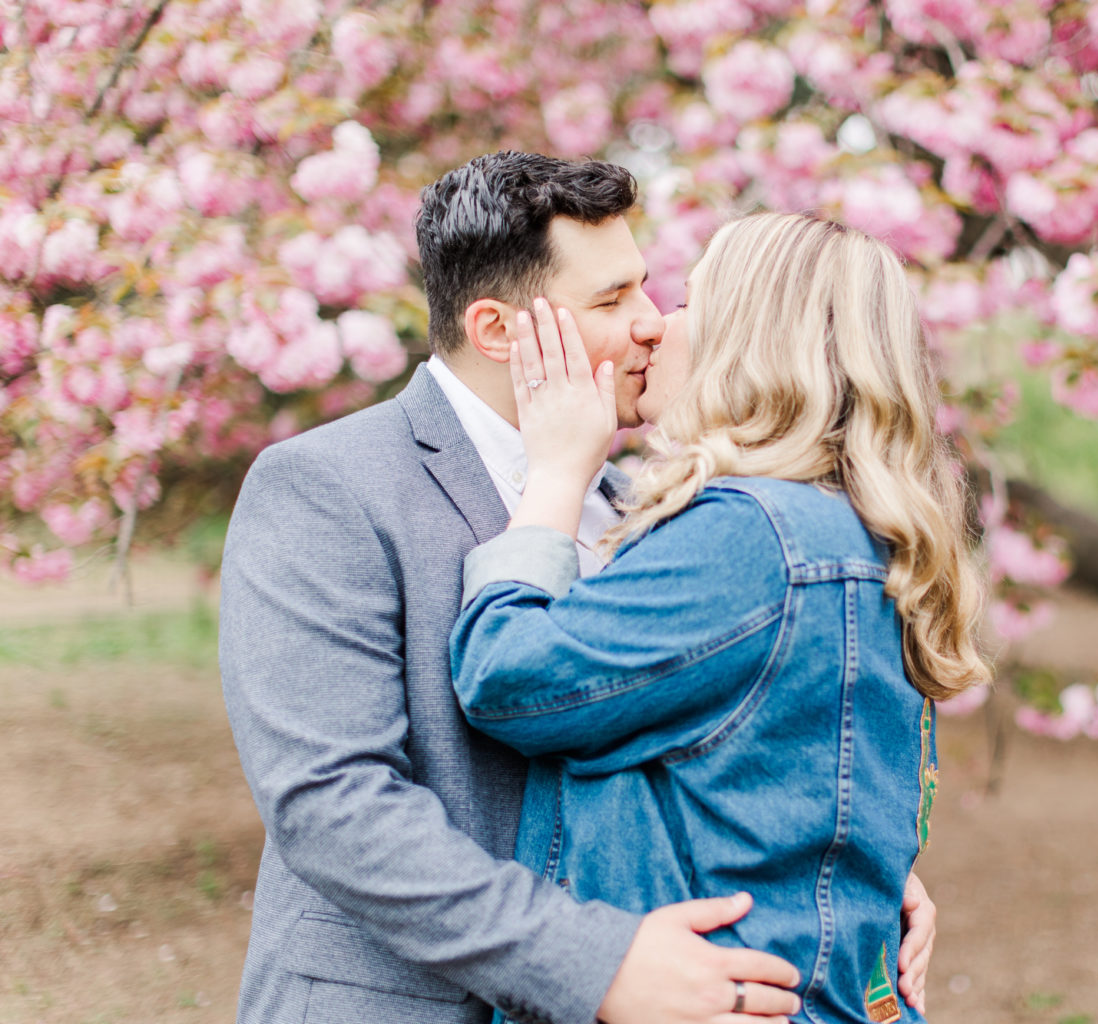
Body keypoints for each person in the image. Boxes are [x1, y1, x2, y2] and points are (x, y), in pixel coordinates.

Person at [220, 153, 935, 1024]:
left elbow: (709, 730)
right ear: (497, 329)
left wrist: (842, 859)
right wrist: (596, 965)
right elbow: (329, 805)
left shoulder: (656, 502)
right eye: (610, 302)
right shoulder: (329, 486)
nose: (649, 325)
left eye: (647, 288)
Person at [450, 212, 991, 1024]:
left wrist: (558, 473)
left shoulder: (752, 534)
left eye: (686, 304)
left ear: (748, 336)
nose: (653, 326)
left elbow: (507, 675)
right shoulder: (858, 528)